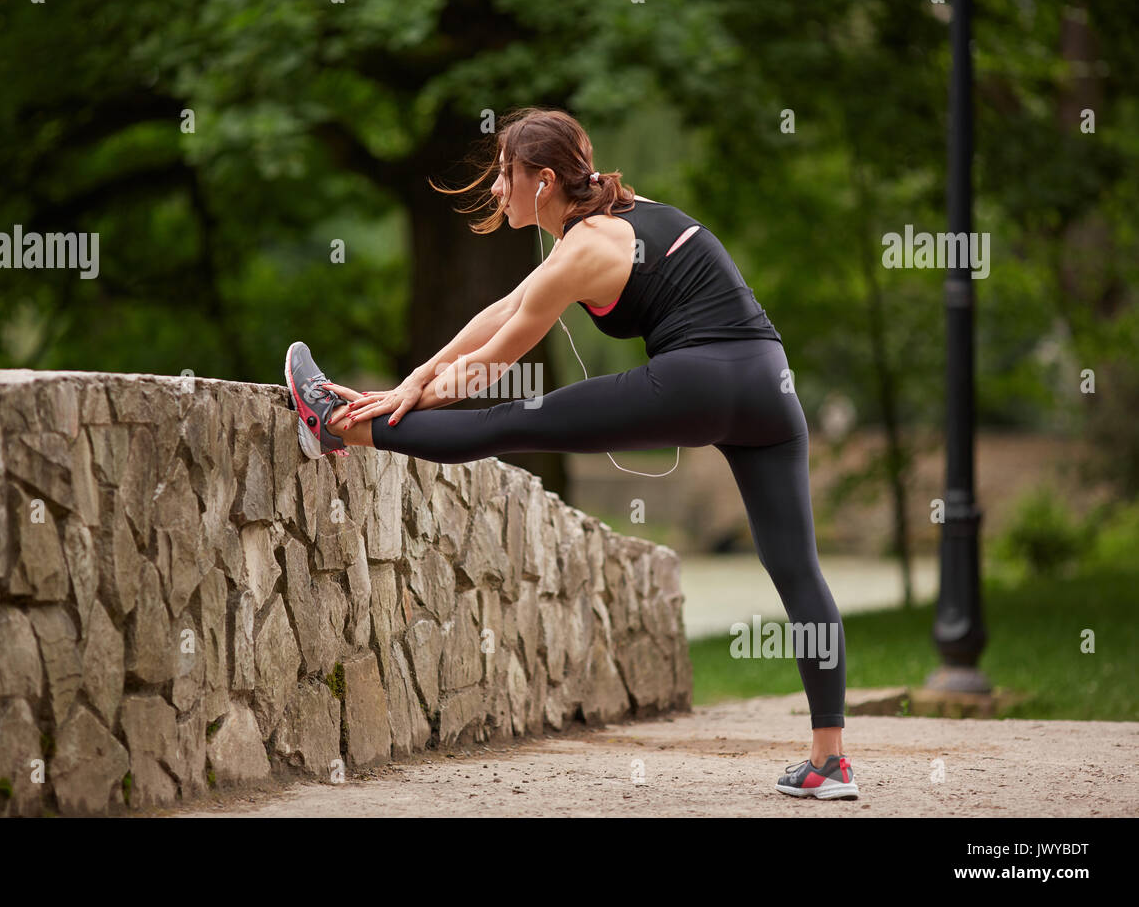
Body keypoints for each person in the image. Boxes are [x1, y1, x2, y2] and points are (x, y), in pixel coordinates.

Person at [285, 107, 858, 800]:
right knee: (798, 569)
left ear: (545, 179)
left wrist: (392, 408)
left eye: (505, 174)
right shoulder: (625, 215)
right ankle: (830, 763)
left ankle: (335, 428)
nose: (497, 188)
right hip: (770, 385)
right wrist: (409, 381)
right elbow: (498, 313)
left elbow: (493, 361)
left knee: (504, 422)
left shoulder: (585, 248)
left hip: (699, 379)